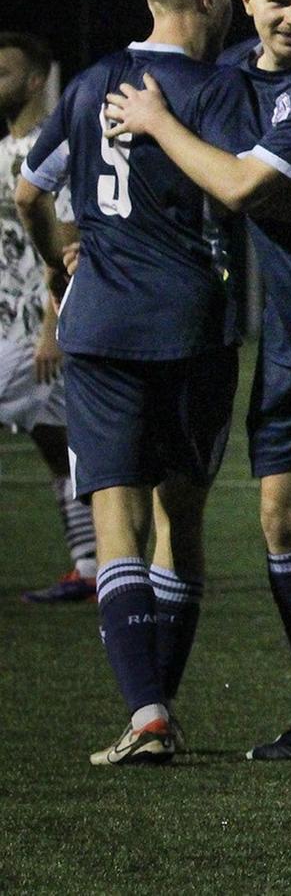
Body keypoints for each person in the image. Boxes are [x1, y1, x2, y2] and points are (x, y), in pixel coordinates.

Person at [23, 0, 291, 765]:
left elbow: (27, 188)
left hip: (99, 330)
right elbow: (260, 195)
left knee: (114, 517)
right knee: (179, 518)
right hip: (195, 326)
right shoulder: (221, 88)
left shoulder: (91, 83)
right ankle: (157, 702)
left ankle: (149, 709)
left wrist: (63, 258)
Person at [0, 32, 93, 602]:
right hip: (8, 328)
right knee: (58, 448)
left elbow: (69, 243)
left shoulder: (49, 150)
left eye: (5, 72)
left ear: (36, 81)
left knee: (62, 444)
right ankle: (90, 566)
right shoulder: (3, 150)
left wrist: (52, 327)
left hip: (36, 335)